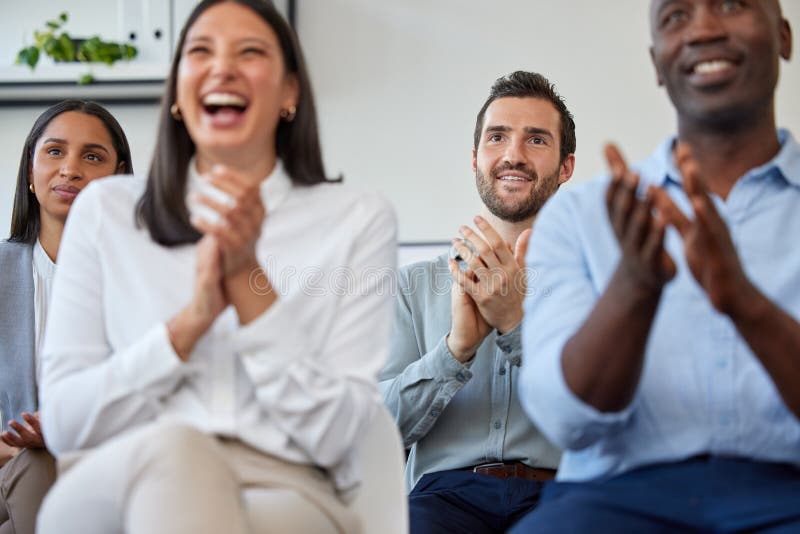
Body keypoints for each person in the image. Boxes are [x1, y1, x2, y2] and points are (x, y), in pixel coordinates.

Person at [36, 1, 396, 533]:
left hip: (287, 487)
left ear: (290, 93)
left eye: (249, 52)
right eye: (200, 51)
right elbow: (66, 424)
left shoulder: (357, 218)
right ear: (179, 95)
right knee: (179, 451)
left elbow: (339, 435)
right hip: (115, 479)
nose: (222, 67)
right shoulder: (106, 212)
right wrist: (188, 326)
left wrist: (247, 282)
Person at [513, 1, 799, 532]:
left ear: (783, 37)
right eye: (676, 17)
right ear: (657, 62)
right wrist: (634, 289)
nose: (704, 30)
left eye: (732, 5)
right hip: (611, 502)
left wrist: (744, 303)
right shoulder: (579, 215)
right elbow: (562, 420)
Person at [380, 71, 575, 533]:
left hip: (562, 499)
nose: (513, 154)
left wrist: (516, 326)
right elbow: (372, 432)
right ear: (475, 158)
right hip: (439, 502)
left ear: (566, 166)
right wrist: (454, 352)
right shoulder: (411, 287)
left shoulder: (596, 285)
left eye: (537, 140)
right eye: (497, 137)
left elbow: (609, 419)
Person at [0, 100, 132, 534]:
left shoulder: (143, 279)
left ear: (119, 176)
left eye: (92, 156)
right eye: (54, 151)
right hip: (9, 467)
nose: (70, 169)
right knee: (36, 466)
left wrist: (64, 435)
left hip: (107, 464)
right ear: (31, 174)